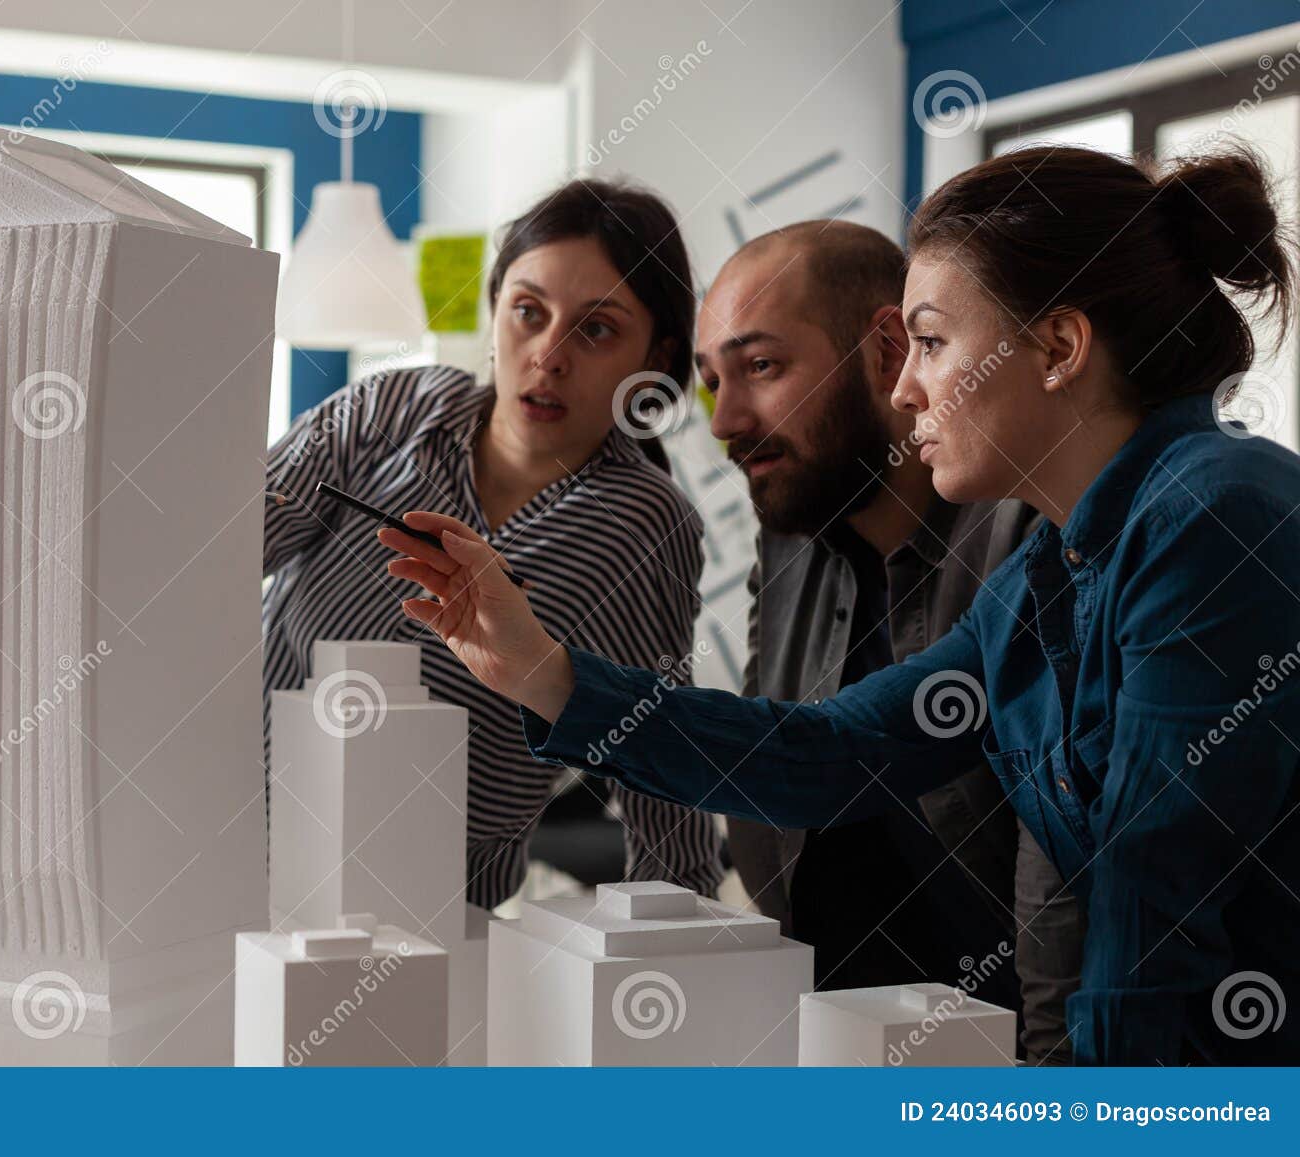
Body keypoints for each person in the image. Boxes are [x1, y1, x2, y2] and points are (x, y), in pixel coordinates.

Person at [383, 145, 1300, 1065]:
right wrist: (545, 673)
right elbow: (831, 752)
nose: (906, 388)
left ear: (1058, 348)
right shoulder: (1047, 574)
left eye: (932, 343)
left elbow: (1151, 927)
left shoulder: (1213, 516)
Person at [264, 178, 723, 912]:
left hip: (439, 913)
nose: (548, 356)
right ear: (495, 306)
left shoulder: (641, 526)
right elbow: (217, 548)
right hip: (238, 846)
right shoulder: (389, 409)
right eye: (528, 312)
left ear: (657, 351)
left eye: (597, 330)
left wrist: (677, 938)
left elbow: (655, 746)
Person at [699, 218, 1081, 1061]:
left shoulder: (1032, 532)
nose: (725, 419)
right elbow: (768, 772)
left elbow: (1067, 881)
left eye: (760, 367)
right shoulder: (790, 532)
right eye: (710, 381)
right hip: (837, 1035)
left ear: (886, 352)